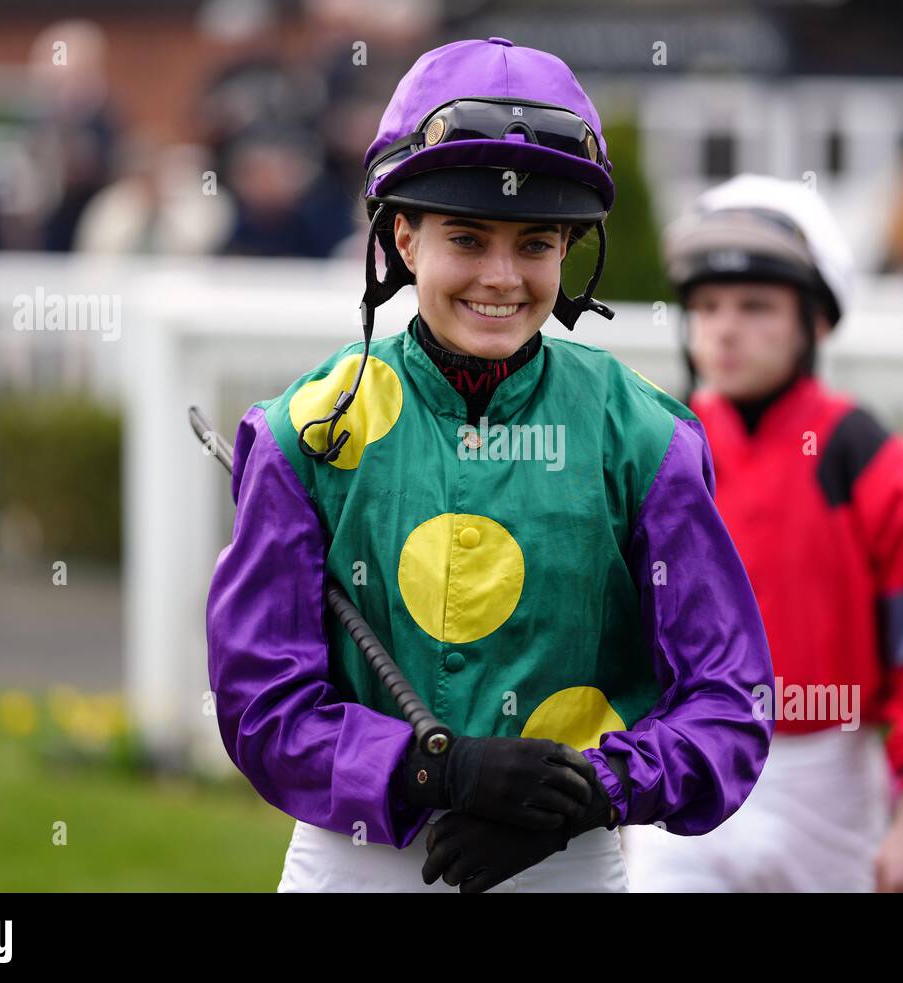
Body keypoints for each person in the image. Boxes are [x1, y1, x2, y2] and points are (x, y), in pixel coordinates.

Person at [205, 38, 773, 893]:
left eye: (535, 244)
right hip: (356, 859)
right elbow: (260, 703)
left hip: (567, 858)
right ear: (404, 238)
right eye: (467, 239)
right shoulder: (305, 434)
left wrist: (584, 793)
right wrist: (437, 773)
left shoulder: (648, 440)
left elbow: (731, 704)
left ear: (567, 250)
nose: (501, 279)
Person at [622, 174, 903, 892]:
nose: (724, 328)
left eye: (756, 306)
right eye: (706, 306)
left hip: (830, 782)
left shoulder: (868, 457)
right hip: (678, 766)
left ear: (815, 323)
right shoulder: (651, 447)